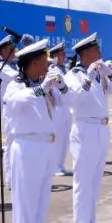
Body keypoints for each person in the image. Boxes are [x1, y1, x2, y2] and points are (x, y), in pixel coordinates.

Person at [3, 39, 65, 223]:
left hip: (45, 147)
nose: (47, 67)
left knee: (40, 206)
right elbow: (17, 102)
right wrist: (42, 88)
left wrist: (58, 86)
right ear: (33, 63)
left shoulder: (42, 84)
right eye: (43, 62)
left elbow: (65, 101)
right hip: (27, 147)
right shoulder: (15, 85)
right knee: (26, 206)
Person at [63, 34, 112, 223]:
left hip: (101, 128)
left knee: (95, 179)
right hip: (84, 128)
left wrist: (109, 74)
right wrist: (90, 76)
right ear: (86, 53)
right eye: (96, 50)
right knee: (83, 180)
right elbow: (74, 98)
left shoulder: (100, 74)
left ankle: (91, 221)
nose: (100, 53)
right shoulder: (73, 76)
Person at [48, 42, 73, 176]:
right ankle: (54, 166)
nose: (64, 56)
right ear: (55, 56)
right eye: (61, 54)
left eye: (64, 54)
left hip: (66, 107)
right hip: (57, 107)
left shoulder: (65, 69)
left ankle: (61, 165)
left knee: (65, 138)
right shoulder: (52, 70)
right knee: (57, 139)